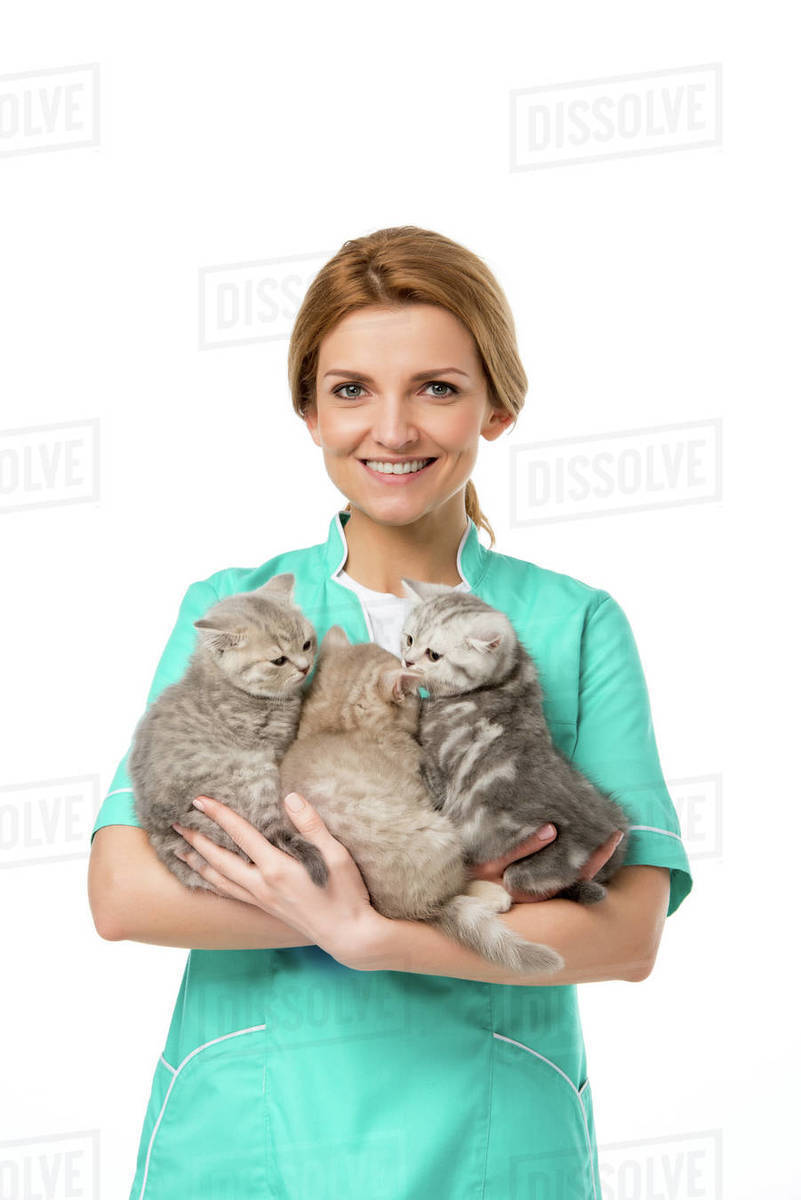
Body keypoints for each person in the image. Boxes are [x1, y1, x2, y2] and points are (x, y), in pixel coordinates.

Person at [88, 225, 693, 1199]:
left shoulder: (574, 625)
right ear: (310, 410)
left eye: (438, 389)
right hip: (250, 1130)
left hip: (492, 1136)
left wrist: (372, 933)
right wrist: (444, 880)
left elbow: (628, 934)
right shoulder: (241, 610)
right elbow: (126, 893)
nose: (395, 430)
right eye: (353, 390)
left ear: (498, 407)